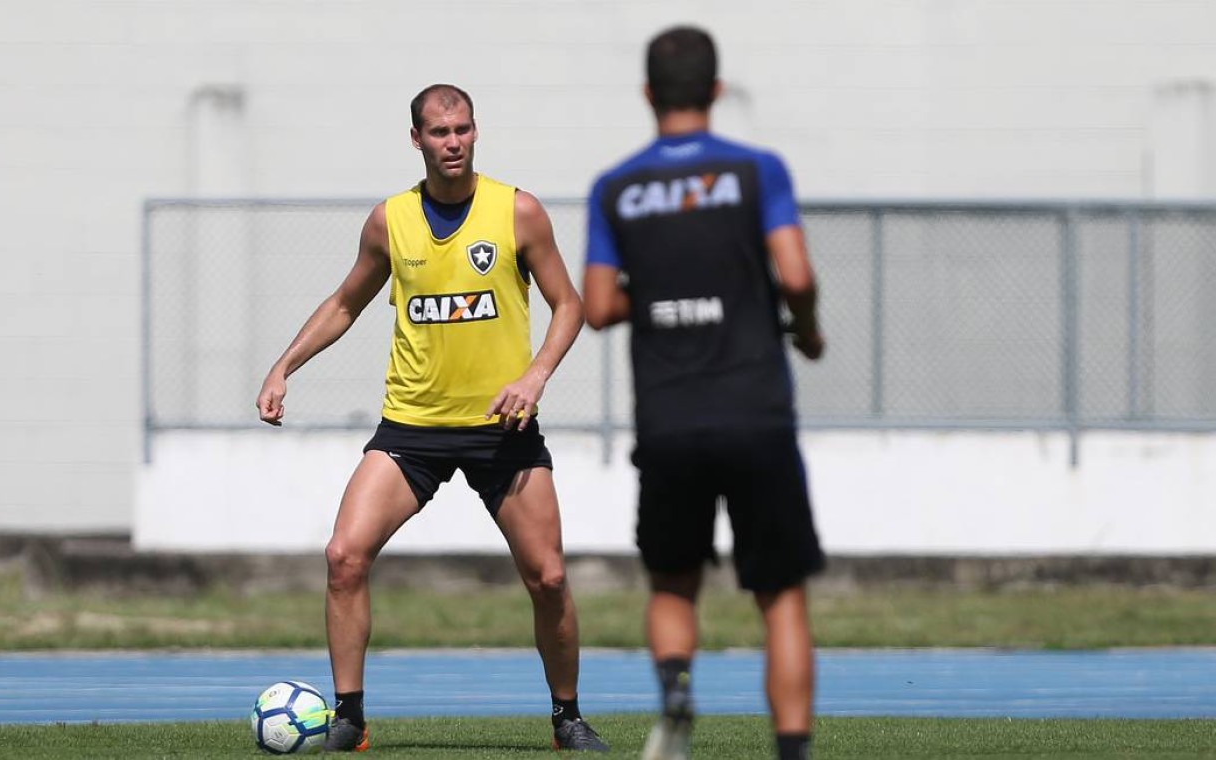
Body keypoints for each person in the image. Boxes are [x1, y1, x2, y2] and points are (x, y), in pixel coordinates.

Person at [256, 83, 608, 754]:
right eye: (440, 132)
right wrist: (283, 367)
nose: (453, 142)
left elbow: (569, 304)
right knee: (343, 557)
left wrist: (533, 376)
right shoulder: (390, 221)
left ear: (476, 134)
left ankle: (567, 717)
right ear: (415, 139)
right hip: (411, 428)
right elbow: (343, 304)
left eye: (463, 130)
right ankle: (349, 719)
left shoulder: (518, 212)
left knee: (550, 577)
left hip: (501, 431)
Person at [582, 26, 827, 760]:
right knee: (779, 595)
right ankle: (789, 752)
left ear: (648, 95)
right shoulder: (757, 172)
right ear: (716, 91)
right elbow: (795, 276)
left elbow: (596, 306)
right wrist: (805, 331)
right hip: (755, 411)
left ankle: (677, 691)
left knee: (672, 584)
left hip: (668, 419)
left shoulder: (615, 187)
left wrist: (659, 292)